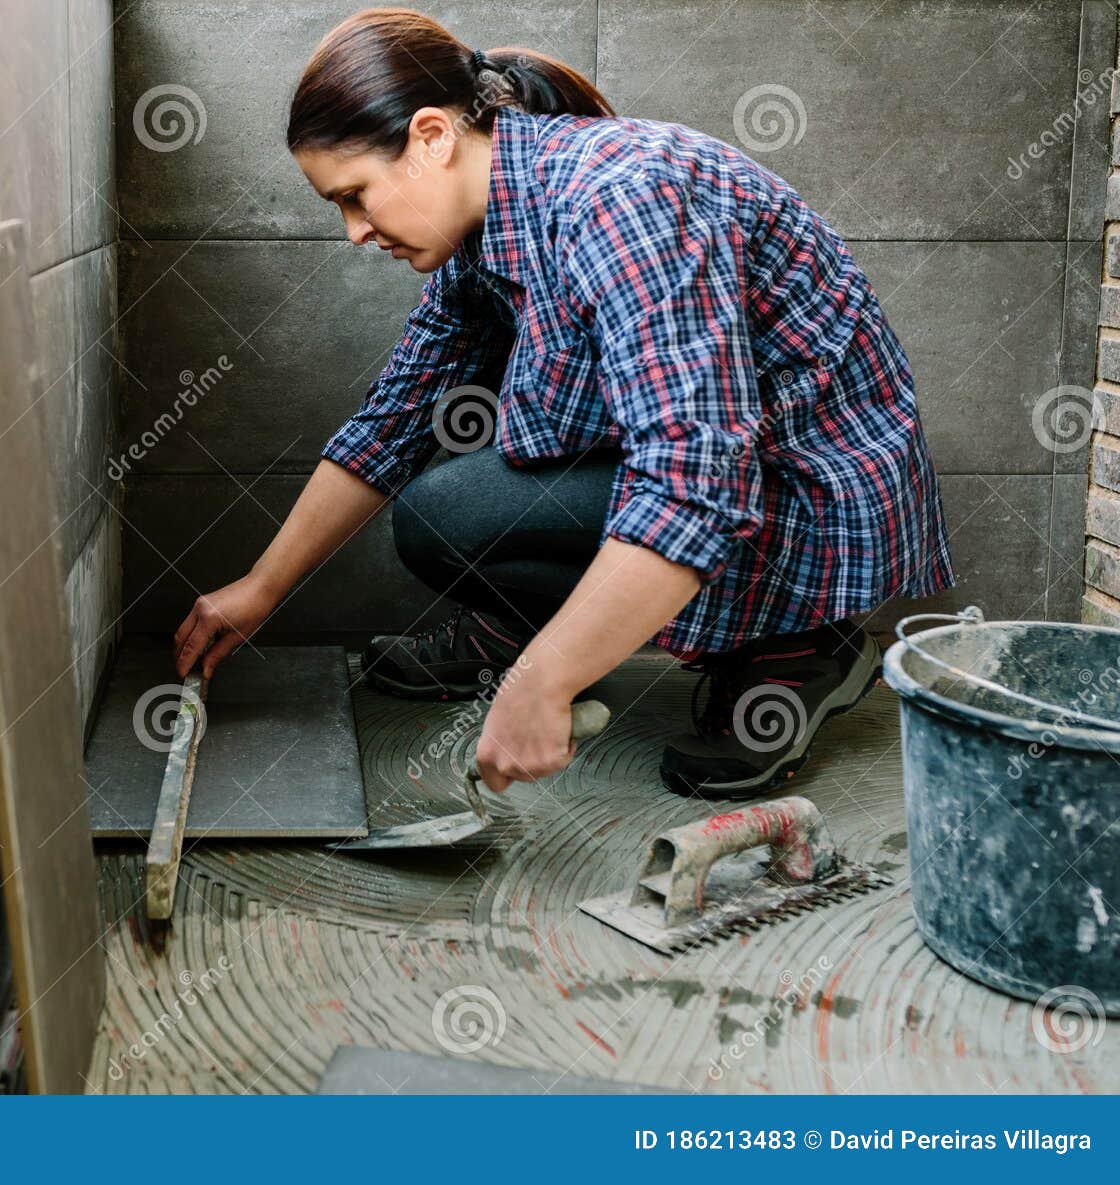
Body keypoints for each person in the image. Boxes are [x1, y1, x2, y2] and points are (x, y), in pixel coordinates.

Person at [172, 7, 956, 801]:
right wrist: (261, 588)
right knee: (441, 515)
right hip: (720, 472)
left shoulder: (621, 198)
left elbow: (695, 482)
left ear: (433, 137)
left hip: (802, 501)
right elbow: (393, 423)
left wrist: (543, 684)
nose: (354, 232)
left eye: (356, 195)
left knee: (500, 520)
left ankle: (795, 647)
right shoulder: (482, 230)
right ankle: (545, 630)